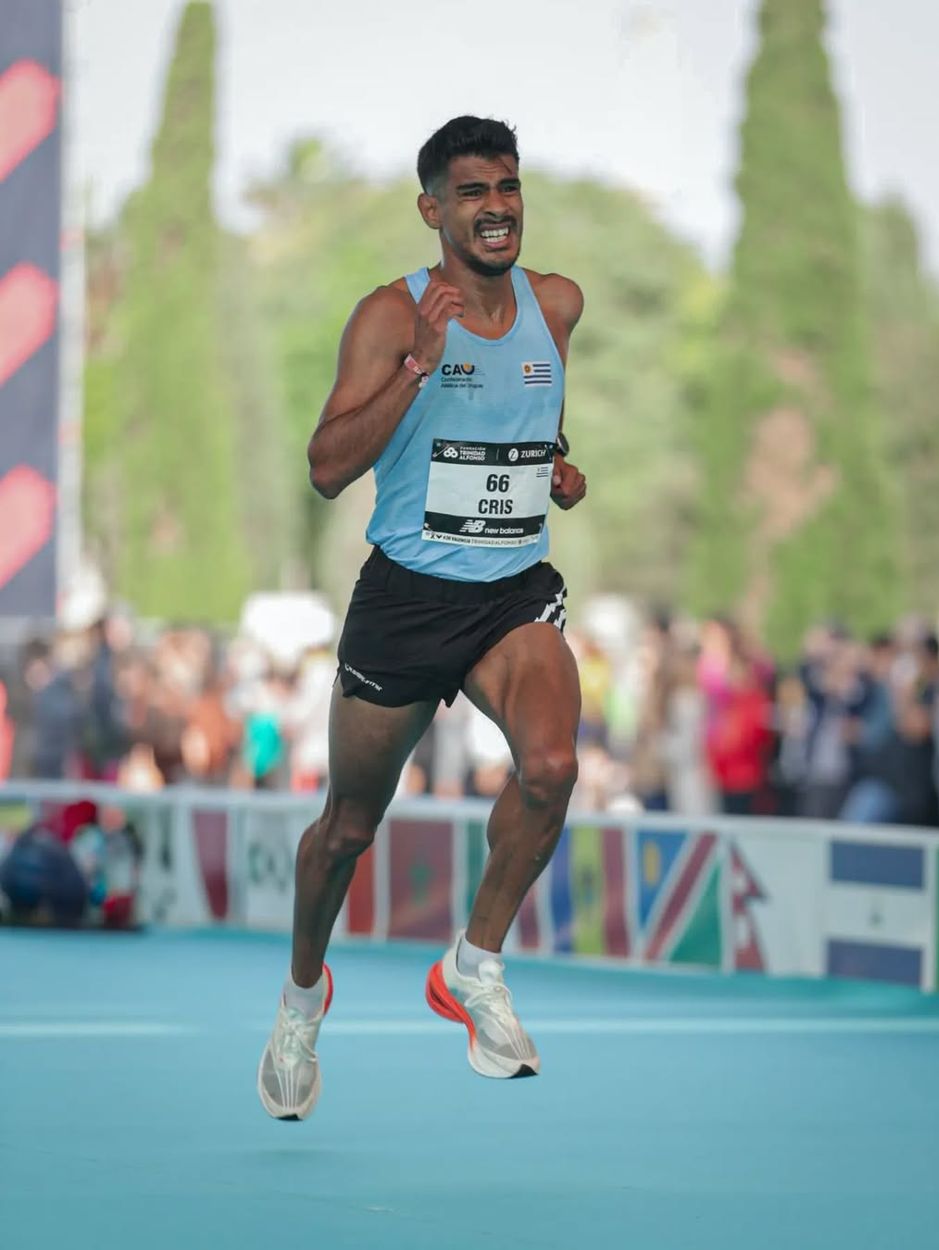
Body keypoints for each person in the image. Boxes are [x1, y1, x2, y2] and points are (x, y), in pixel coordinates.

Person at [257, 116, 587, 1120]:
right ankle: (303, 996)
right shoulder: (389, 316)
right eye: (474, 191)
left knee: (553, 766)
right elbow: (325, 468)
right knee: (346, 829)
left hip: (508, 593)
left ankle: (472, 964)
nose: (497, 207)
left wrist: (556, 467)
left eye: (509, 187)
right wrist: (417, 365)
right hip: (405, 598)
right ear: (432, 209)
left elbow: (525, 414)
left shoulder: (558, 304)